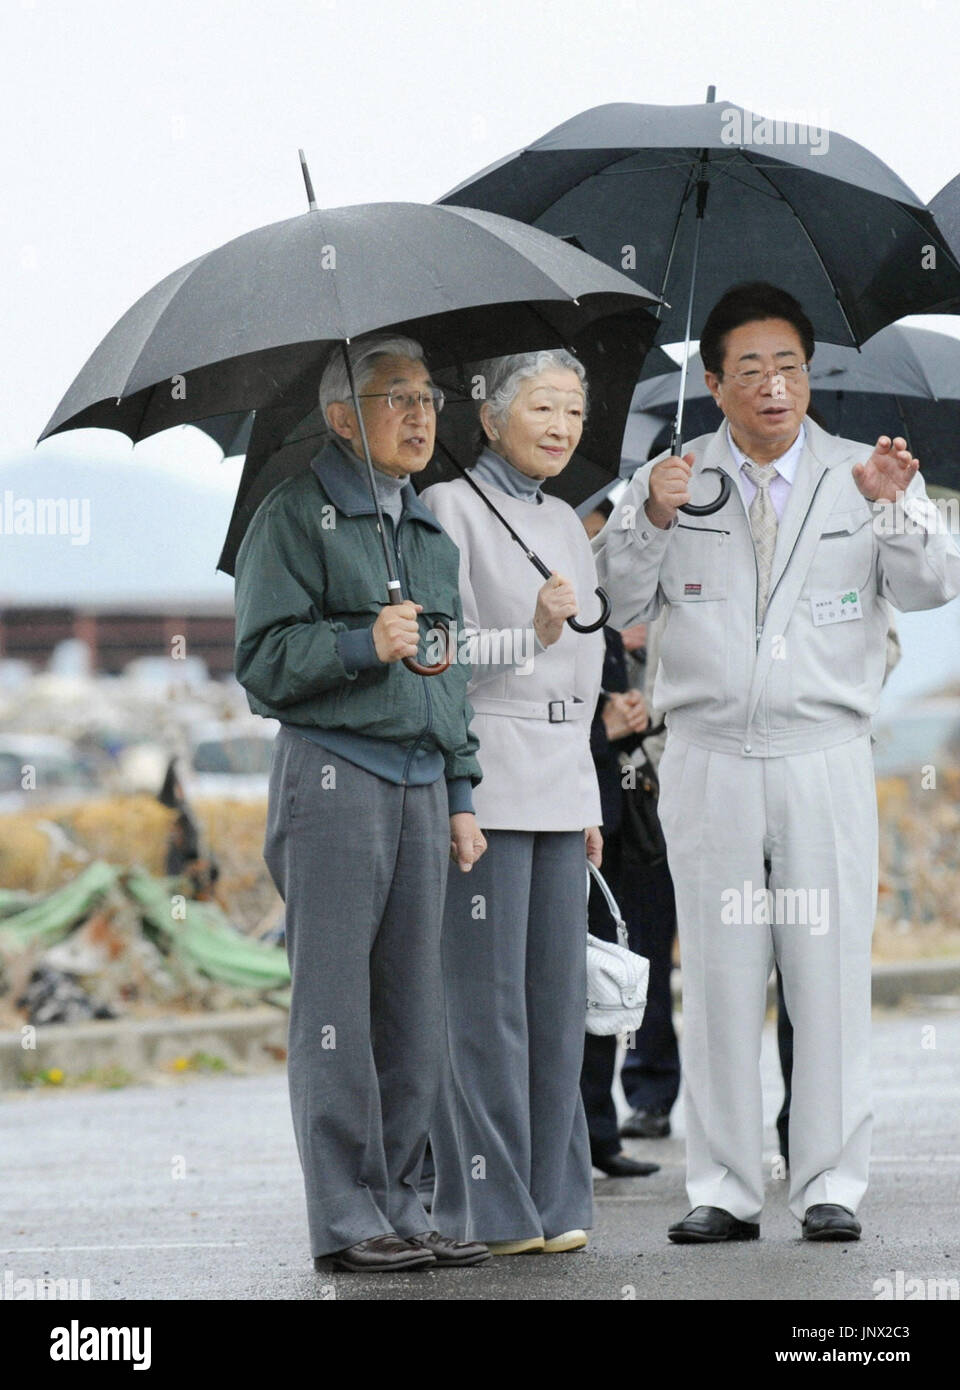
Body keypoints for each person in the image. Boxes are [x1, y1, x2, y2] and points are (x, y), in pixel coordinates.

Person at [594, 282, 960, 1245]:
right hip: (708, 757)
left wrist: (896, 512)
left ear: (809, 376)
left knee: (827, 967)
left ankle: (831, 1179)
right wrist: (653, 519)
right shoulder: (673, 479)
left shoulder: (865, 471)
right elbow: (614, 594)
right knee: (716, 970)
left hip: (822, 754)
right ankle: (721, 1184)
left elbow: (931, 587)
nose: (773, 387)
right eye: (749, 370)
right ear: (713, 382)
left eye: (789, 367)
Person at [233, 334, 490, 1273]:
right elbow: (260, 664)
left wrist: (464, 790)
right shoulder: (292, 516)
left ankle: (409, 1210)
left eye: (429, 396)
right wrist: (356, 645)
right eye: (397, 398)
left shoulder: (425, 530)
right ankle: (347, 1221)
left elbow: (447, 675)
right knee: (334, 1010)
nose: (422, 414)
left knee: (416, 1014)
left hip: (425, 789)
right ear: (343, 418)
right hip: (333, 781)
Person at [421, 349, 604, 1254]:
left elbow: (590, 664)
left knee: (554, 1003)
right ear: (489, 415)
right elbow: (439, 652)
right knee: (485, 1007)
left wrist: (592, 796)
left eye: (574, 409)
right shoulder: (447, 506)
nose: (563, 425)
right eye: (542, 406)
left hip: (564, 785)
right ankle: (490, 1211)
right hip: (488, 780)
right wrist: (525, 632)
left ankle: (557, 1202)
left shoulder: (570, 520)